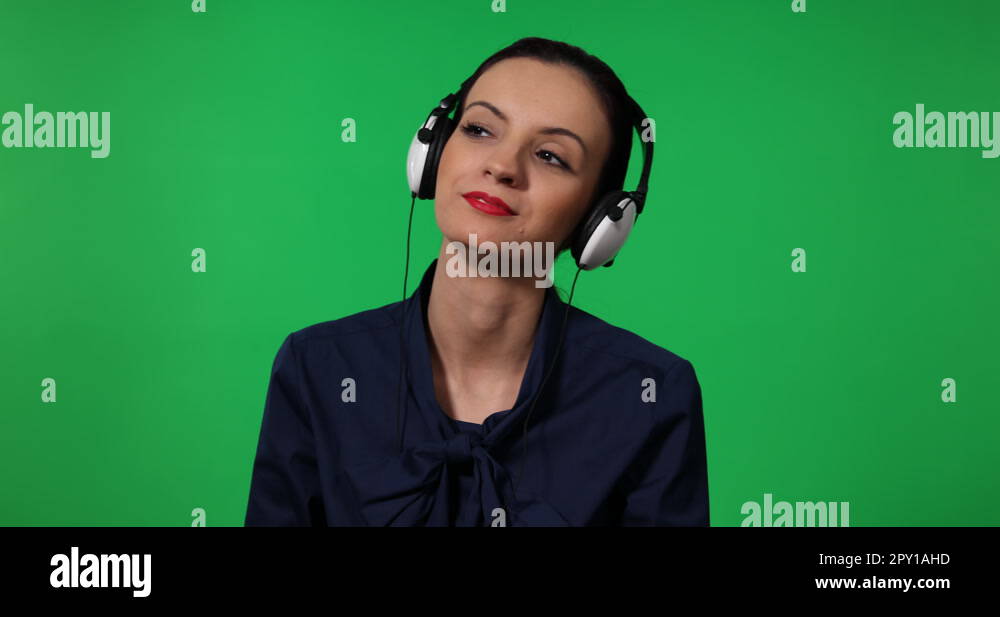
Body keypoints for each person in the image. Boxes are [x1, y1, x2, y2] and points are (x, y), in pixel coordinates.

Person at [244, 37, 709, 526]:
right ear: (433, 153)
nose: (502, 167)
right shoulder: (316, 368)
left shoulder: (651, 394)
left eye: (551, 155)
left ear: (599, 219)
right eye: (480, 129)